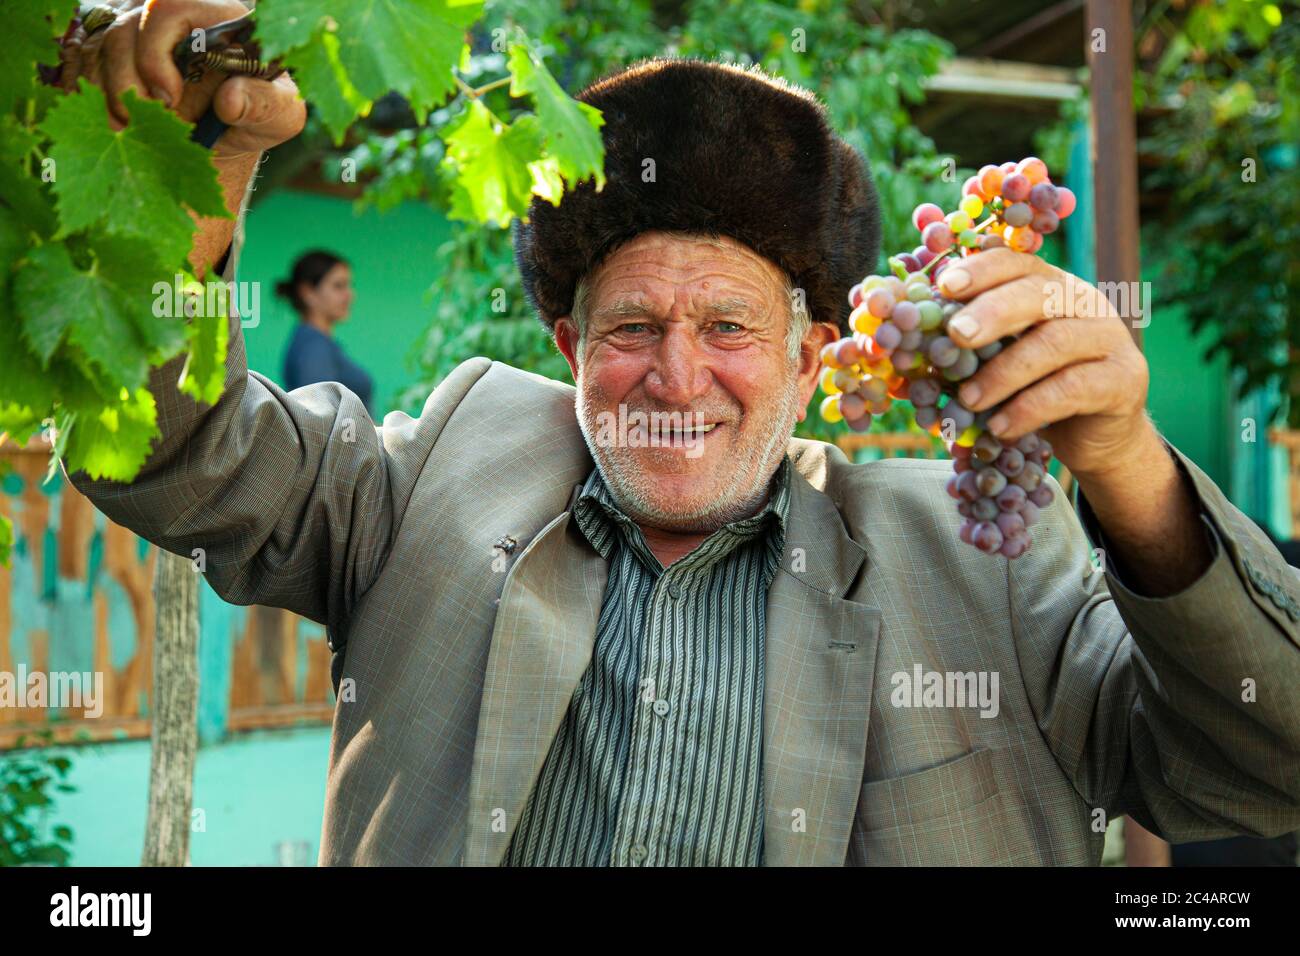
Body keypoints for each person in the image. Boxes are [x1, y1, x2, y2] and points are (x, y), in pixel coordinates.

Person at [60, 1, 1300, 866]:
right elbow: (171, 453)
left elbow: (1263, 760)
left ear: (819, 359)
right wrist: (204, 148)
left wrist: (1127, 464)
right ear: (566, 351)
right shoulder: (435, 473)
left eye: (729, 324)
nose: (676, 374)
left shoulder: (987, 568)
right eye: (630, 326)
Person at [276, 251, 374, 413]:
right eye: (338, 286)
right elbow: (319, 421)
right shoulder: (313, 348)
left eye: (349, 285)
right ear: (308, 293)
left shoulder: (316, 342)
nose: (350, 294)